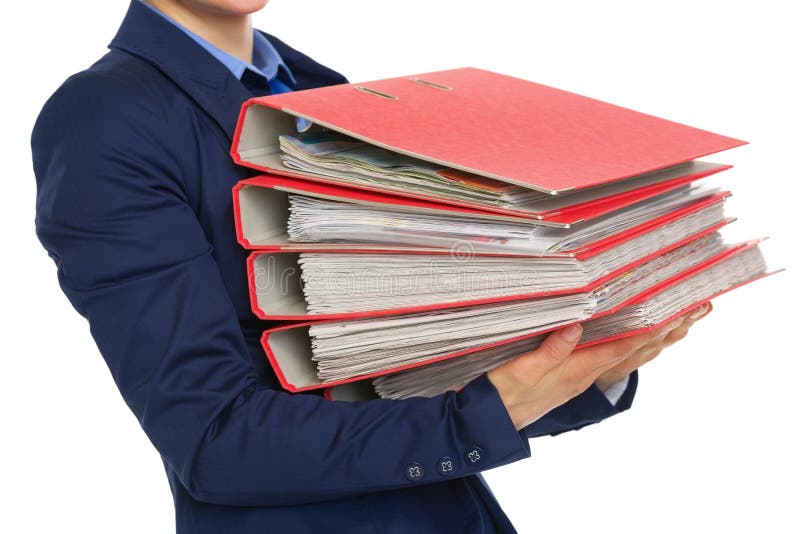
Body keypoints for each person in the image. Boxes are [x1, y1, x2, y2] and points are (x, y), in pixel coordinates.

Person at [30, 1, 711, 532]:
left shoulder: (318, 92)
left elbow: (395, 377)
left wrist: (592, 365)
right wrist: (492, 410)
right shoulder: (104, 117)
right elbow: (212, 442)